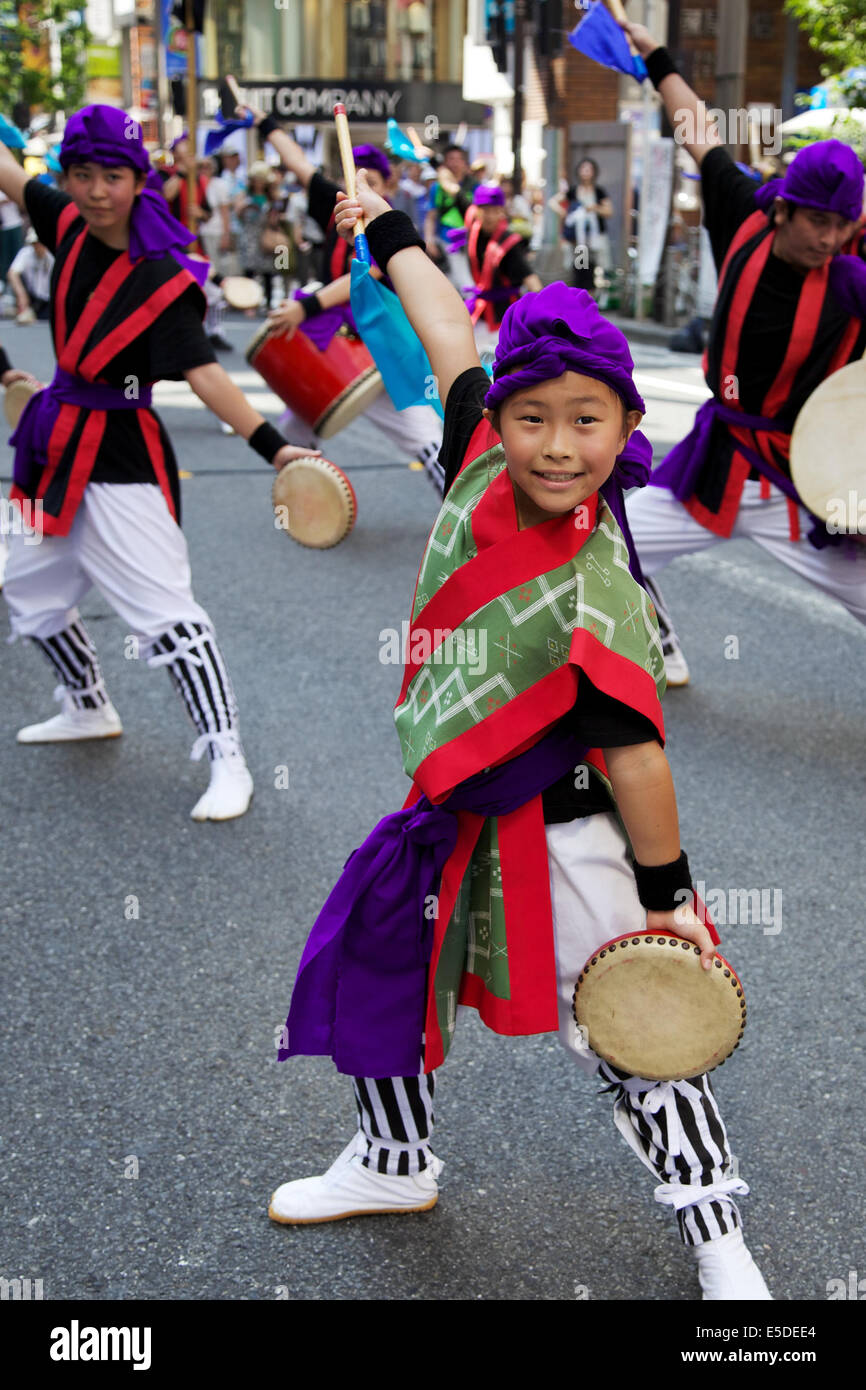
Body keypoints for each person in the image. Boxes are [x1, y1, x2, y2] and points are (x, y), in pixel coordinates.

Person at [266, 171, 772, 1302]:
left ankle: (713, 1226)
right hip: (453, 806)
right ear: (490, 420)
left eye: (584, 421)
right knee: (382, 964)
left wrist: (667, 898)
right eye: (530, 418)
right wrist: (387, 229)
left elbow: (637, 753)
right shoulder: (477, 455)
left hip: (571, 827)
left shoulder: (595, 580)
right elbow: (447, 324)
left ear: (627, 428)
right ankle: (393, 1162)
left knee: (634, 1028)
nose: (554, 446)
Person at [0, 105, 317, 820]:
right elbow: (13, 175)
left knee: (167, 618)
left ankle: (227, 755)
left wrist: (275, 448)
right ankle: (86, 704)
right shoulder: (64, 222)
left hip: (120, 455)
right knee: (25, 584)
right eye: (81, 173)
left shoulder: (164, 279)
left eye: (110, 175)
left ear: (138, 179)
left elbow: (205, 377)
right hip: (52, 445)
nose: (94, 189)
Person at [622, 21, 866, 687]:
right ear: (785, 209)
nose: (831, 238)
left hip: (805, 480)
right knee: (608, 544)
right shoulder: (743, 213)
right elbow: (696, 127)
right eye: (820, 221)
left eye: (845, 224)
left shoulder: (855, 273)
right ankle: (654, 631)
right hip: (721, 458)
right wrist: (655, 56)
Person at [235, 101, 444, 492]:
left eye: (372, 184)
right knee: (297, 428)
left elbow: (367, 274)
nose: (361, 191)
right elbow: (297, 163)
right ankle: (306, 508)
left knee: (426, 440)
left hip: (380, 352)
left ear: (387, 187)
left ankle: (467, 527)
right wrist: (264, 122)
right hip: (335, 345)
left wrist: (307, 305)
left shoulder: (389, 222)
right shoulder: (339, 204)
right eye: (354, 182)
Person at [462, 183, 543, 353]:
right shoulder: (472, 233)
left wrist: (543, 310)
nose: (489, 215)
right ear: (476, 210)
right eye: (484, 209)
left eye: (494, 210)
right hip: (480, 314)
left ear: (501, 211)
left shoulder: (509, 242)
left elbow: (530, 279)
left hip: (506, 319)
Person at [564, 158, 613, 295]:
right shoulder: (573, 191)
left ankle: (589, 301)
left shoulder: (598, 191)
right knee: (581, 270)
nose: (586, 172)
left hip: (594, 240)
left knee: (592, 269)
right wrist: (568, 215)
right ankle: (580, 300)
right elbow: (555, 202)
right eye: (583, 169)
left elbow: (609, 211)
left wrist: (594, 208)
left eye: (589, 169)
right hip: (579, 241)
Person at [7, 229, 54, 321]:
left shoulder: (52, 255)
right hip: (32, 297)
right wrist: (21, 294)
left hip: (49, 299)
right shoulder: (26, 253)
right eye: (35, 243)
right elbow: (12, 273)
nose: (38, 246)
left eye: (40, 243)